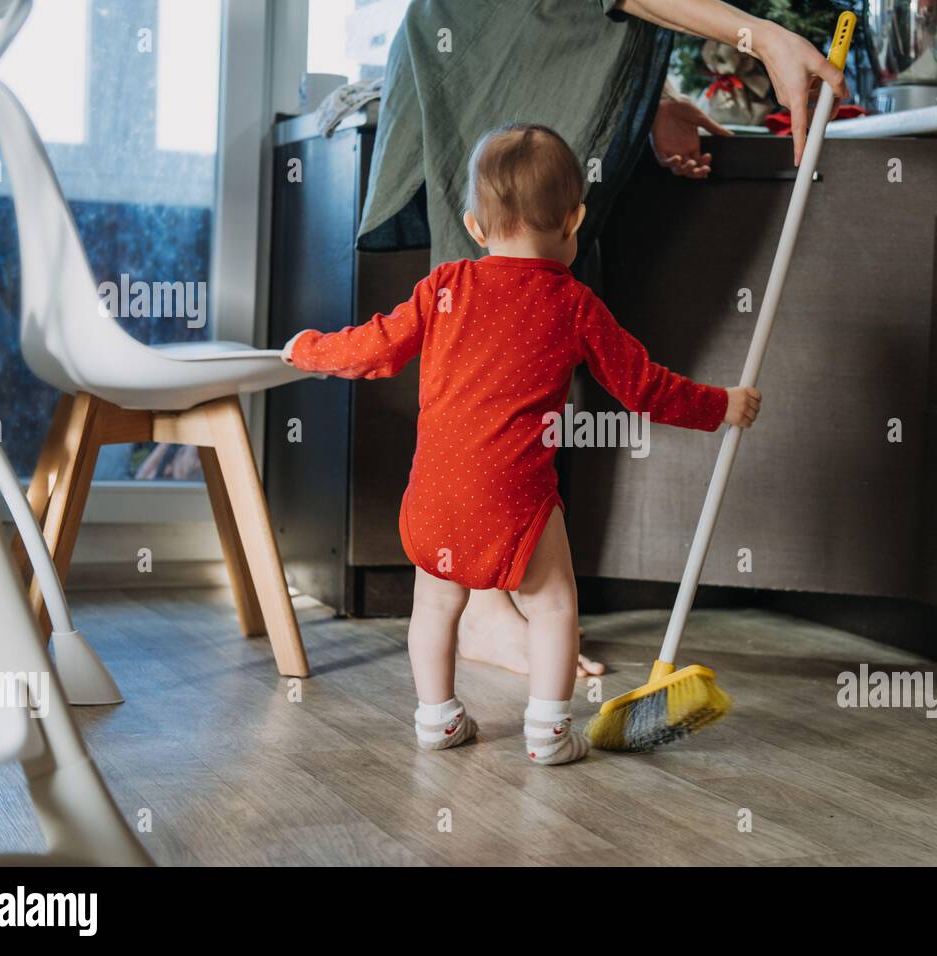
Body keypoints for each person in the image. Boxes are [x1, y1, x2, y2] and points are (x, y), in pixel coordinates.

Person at [351, 0, 844, 677]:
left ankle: (488, 608)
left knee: (512, 310)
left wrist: (650, 97)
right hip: (484, 39)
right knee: (492, 297)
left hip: (535, 40)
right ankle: (488, 611)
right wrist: (759, 37)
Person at [285, 125, 762, 763]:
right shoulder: (573, 303)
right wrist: (721, 405)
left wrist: (307, 349)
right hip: (516, 501)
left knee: (432, 608)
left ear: (475, 226)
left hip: (433, 496)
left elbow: (373, 348)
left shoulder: (444, 287)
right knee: (555, 604)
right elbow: (644, 389)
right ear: (575, 219)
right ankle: (548, 730)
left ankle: (437, 718)